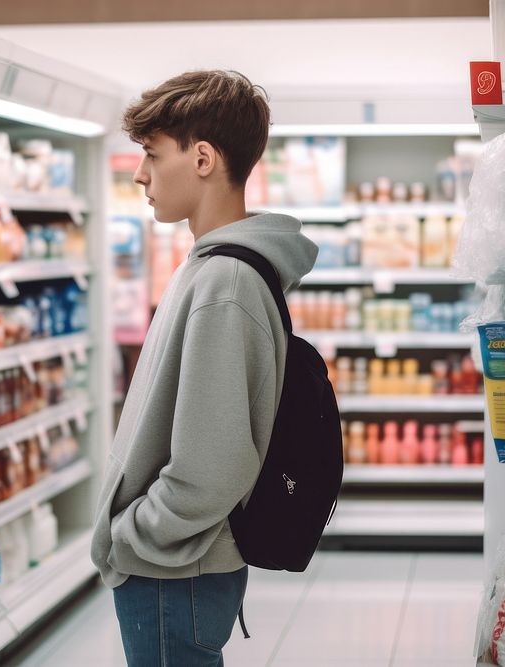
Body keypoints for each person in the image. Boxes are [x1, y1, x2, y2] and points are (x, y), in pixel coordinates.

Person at [90, 70, 319, 665]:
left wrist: (135, 532)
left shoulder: (226, 281)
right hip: (176, 564)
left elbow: (213, 467)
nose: (140, 173)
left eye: (151, 153)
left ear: (202, 158)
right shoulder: (211, 266)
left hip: (174, 567)